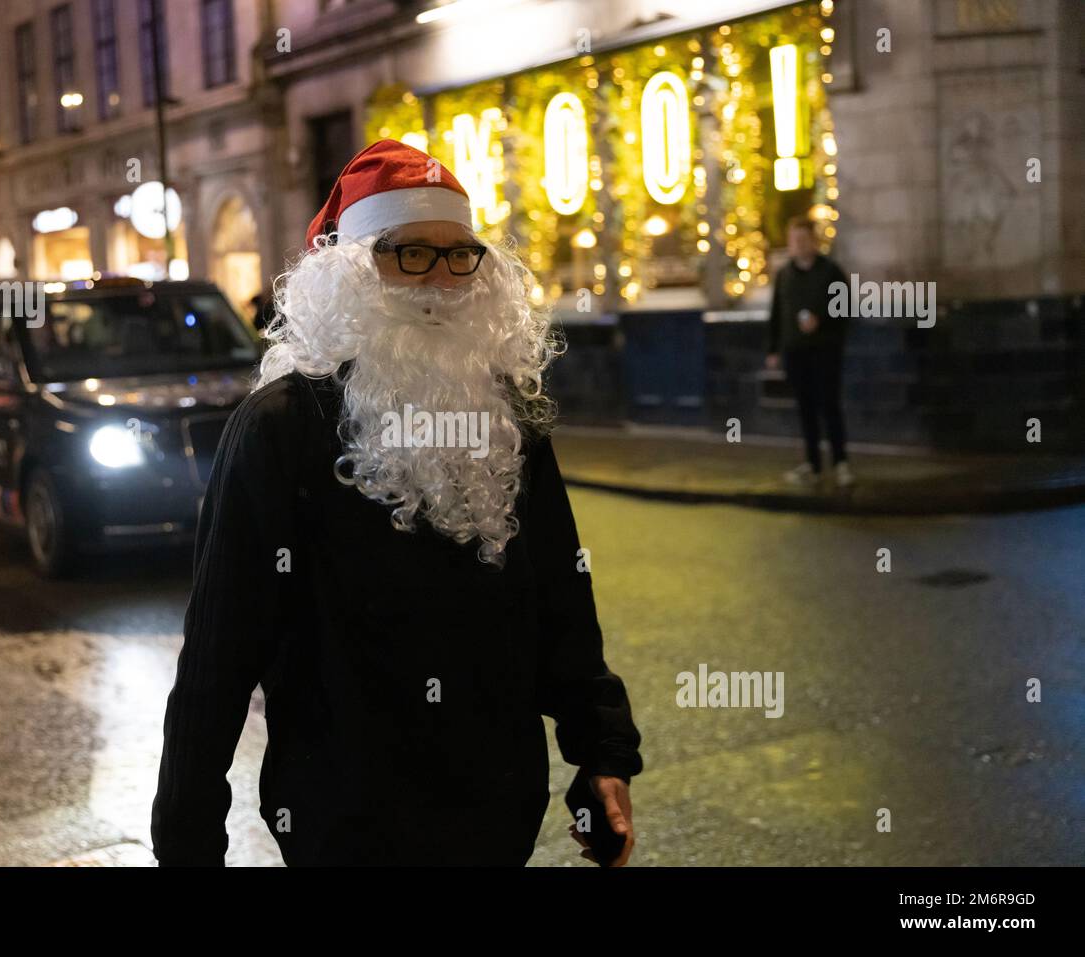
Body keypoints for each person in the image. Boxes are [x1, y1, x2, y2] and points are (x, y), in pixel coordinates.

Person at [152, 139, 643, 867]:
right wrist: (188, 841)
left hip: (495, 816)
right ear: (351, 273)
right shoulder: (278, 428)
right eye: (409, 253)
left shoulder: (507, 415)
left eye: (457, 256)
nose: (438, 281)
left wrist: (602, 748)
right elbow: (219, 654)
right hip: (343, 822)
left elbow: (561, 597)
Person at [765, 216, 855, 488]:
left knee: (829, 406)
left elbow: (846, 310)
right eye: (794, 241)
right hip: (796, 351)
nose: (798, 246)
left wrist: (821, 321)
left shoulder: (830, 272)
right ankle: (813, 464)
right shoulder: (784, 275)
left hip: (824, 351)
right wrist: (773, 349)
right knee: (805, 409)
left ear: (814, 242)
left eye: (803, 240)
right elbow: (776, 313)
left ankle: (840, 461)